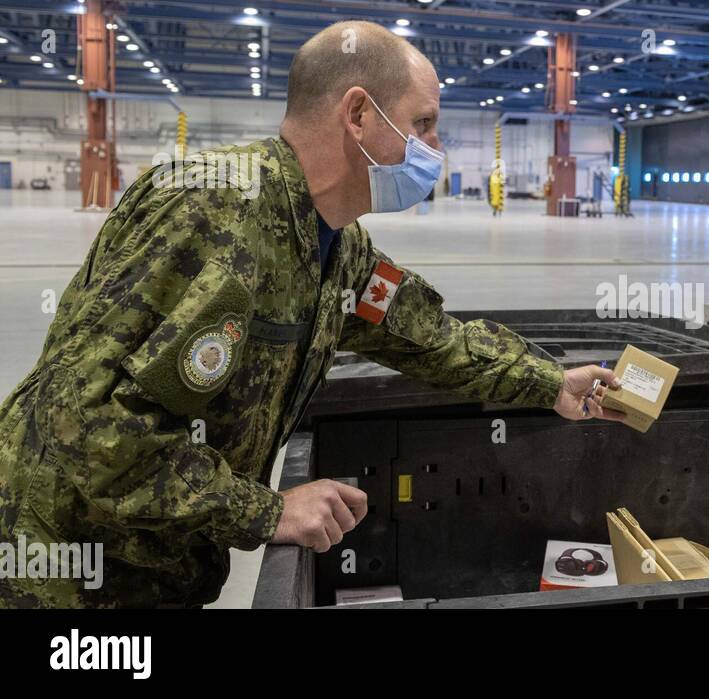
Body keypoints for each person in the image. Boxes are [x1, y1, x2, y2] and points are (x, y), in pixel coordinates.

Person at [0, 21, 623, 608]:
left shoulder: (335, 244)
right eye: (423, 123)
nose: (434, 149)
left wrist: (548, 382)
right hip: (61, 569)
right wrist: (266, 511)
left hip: (156, 567)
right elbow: (85, 427)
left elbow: (429, 338)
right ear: (358, 114)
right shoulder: (208, 210)